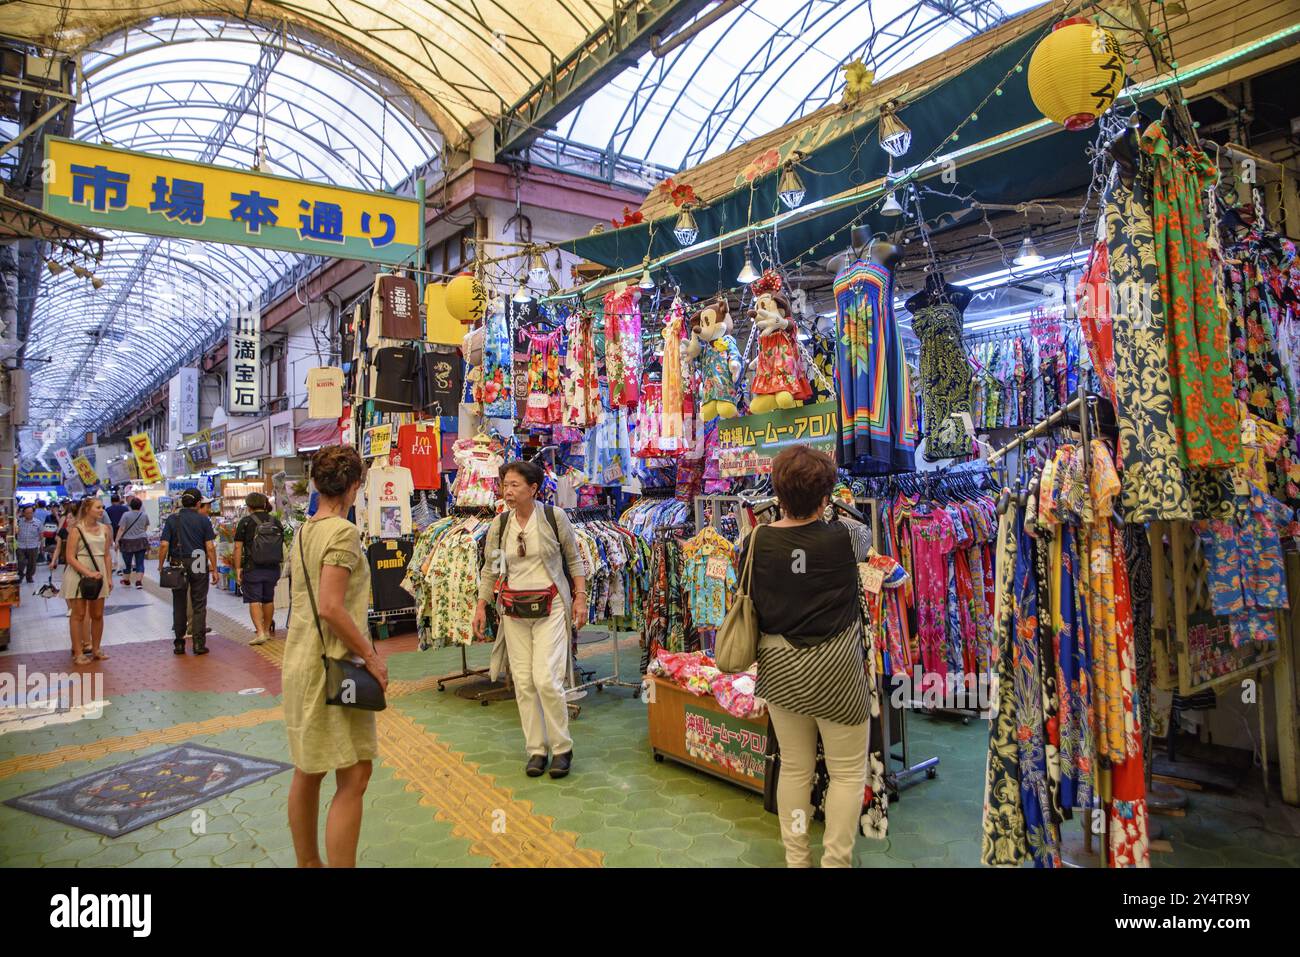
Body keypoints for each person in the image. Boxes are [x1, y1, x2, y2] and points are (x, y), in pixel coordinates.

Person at [736, 444, 873, 868]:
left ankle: (798, 859)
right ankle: (836, 860)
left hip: (779, 669)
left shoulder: (755, 541)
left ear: (777, 492)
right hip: (837, 670)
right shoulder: (848, 536)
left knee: (795, 769)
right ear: (825, 494)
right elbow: (864, 539)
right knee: (847, 773)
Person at [283, 444, 384, 868]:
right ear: (356, 486)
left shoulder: (306, 529)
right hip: (337, 666)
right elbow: (331, 605)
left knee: (309, 768)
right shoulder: (342, 532)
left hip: (301, 660)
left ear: (315, 484)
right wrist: (372, 656)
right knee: (356, 774)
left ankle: (309, 863)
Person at [473, 460, 587, 779]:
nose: (507, 491)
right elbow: (491, 568)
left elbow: (573, 559)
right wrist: (481, 605)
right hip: (514, 610)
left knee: (546, 680)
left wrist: (580, 597)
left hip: (550, 607)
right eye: (504, 485)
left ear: (533, 489)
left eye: (514, 485)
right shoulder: (500, 524)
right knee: (523, 682)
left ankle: (562, 747)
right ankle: (536, 749)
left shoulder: (553, 517)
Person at [159, 487, 218, 655]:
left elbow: (164, 545)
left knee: (179, 603)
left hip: (178, 562)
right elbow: (210, 547)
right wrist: (214, 568)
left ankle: (179, 643)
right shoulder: (203, 520)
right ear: (199, 503)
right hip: (198, 561)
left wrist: (160, 564)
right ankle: (199, 644)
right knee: (199, 603)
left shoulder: (172, 519)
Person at [64, 497, 113, 664]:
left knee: (98, 614)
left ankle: (96, 648)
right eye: (98, 507)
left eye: (102, 507)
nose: (101, 510)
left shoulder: (105, 529)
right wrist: (88, 573)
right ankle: (78, 652)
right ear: (87, 509)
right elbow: (70, 557)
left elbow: (106, 554)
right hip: (78, 573)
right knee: (78, 614)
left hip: (99, 573)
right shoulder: (76, 530)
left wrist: (109, 576)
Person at [234, 492, 283, 645]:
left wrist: (237, 568)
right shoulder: (275, 521)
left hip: (253, 566)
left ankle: (260, 632)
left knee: (254, 599)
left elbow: (237, 547)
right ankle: (267, 631)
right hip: (273, 566)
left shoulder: (246, 522)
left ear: (249, 506)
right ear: (264, 504)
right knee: (268, 599)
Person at [115, 497, 150, 590]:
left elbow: (121, 529)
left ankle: (126, 580)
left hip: (127, 542)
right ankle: (138, 582)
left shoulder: (126, 515)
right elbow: (145, 527)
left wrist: (117, 541)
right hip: (141, 541)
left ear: (130, 506)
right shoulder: (144, 515)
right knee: (140, 562)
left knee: (127, 563)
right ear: (140, 506)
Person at [16, 504, 42, 584]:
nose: (29, 514)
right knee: (21, 562)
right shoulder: (19, 521)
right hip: (21, 545)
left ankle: (29, 576)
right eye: (27, 513)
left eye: (30, 513)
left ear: (33, 513)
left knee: (32, 563)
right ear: (23, 513)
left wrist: (39, 544)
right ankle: (20, 575)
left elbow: (41, 534)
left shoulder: (38, 522)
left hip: (33, 546)